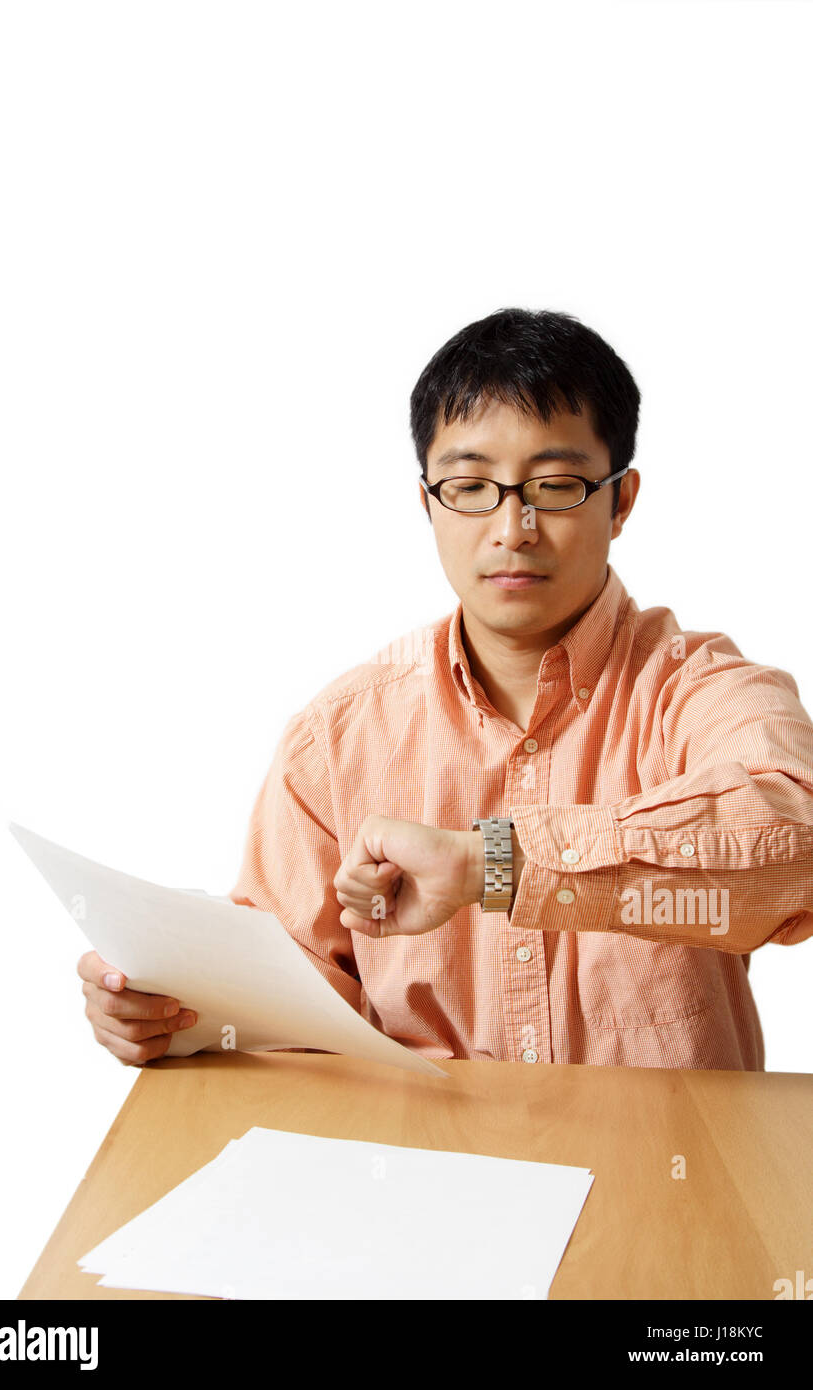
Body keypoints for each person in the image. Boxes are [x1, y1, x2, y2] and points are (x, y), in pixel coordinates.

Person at [78, 307, 813, 1069]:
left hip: (666, 1167)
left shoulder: (697, 690)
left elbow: (800, 844)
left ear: (621, 500)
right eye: (470, 486)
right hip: (422, 1169)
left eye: (556, 485)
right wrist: (176, 1012)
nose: (513, 527)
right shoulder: (337, 736)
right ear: (427, 501)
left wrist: (486, 867)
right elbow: (283, 1016)